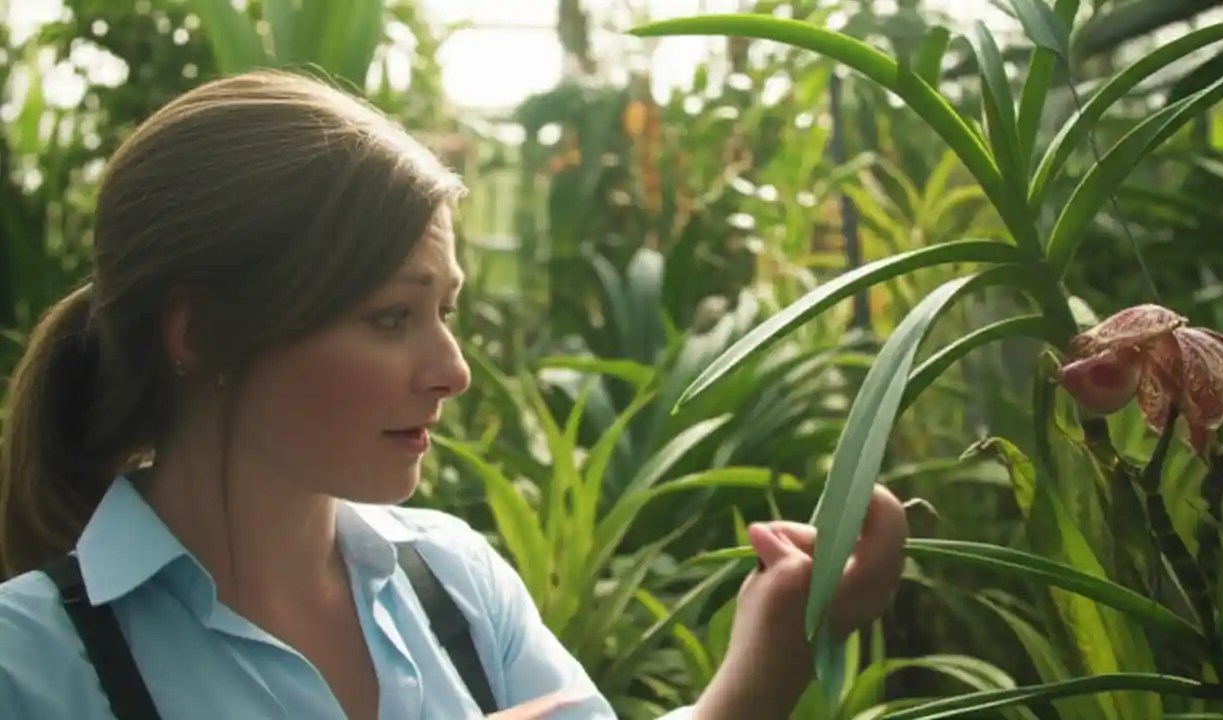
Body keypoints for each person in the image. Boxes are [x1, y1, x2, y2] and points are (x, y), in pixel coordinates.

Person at [0, 70, 908, 719]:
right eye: (392, 318)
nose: (454, 368)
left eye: (447, 310)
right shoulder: (32, 664)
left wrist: (768, 660)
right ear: (199, 336)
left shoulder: (452, 583)